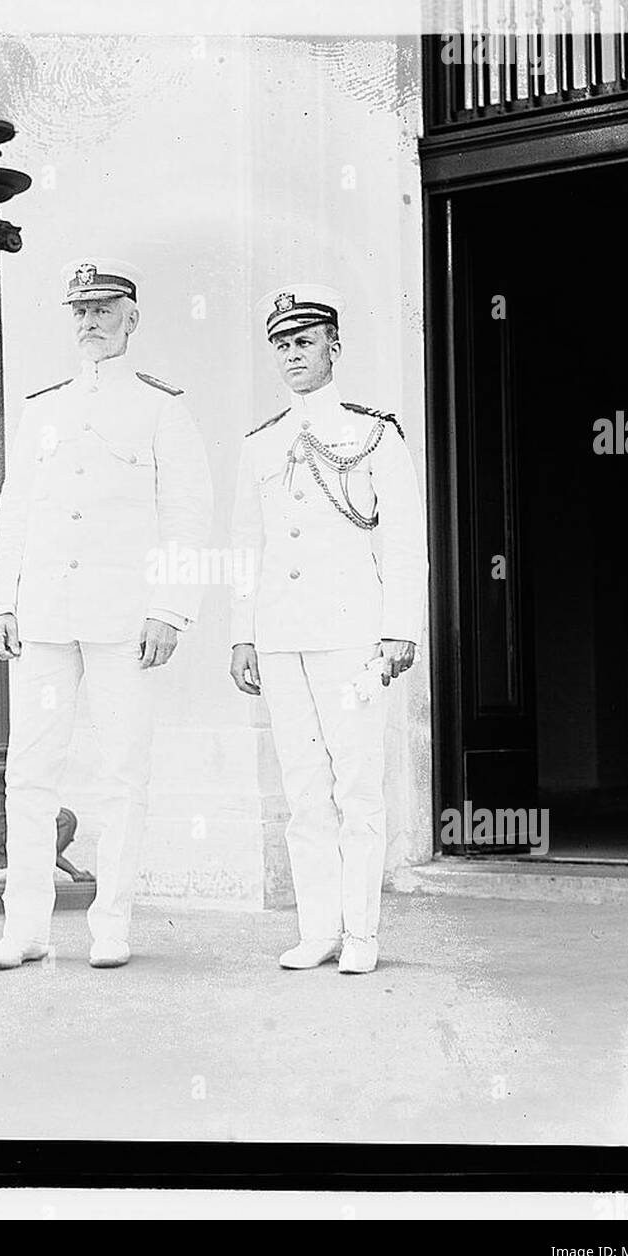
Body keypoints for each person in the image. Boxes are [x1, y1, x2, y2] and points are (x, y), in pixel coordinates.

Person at [0, 258, 213, 970]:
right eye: (80, 311)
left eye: (104, 311)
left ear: (131, 320)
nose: (90, 322)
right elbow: (14, 509)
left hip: (124, 621)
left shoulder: (160, 406)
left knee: (122, 775)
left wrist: (171, 606)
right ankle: (25, 928)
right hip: (46, 615)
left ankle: (111, 925)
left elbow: (187, 512)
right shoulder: (42, 408)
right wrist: (4, 601)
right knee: (29, 774)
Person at [229, 285, 427, 974]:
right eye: (281, 345)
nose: (292, 355)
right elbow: (246, 545)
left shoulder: (373, 432)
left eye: (305, 341)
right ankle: (318, 929)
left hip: (352, 635)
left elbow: (402, 539)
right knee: (304, 787)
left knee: (358, 785)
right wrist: (242, 634)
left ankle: (363, 934)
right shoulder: (261, 443)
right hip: (282, 637)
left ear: (333, 348)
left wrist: (400, 627)